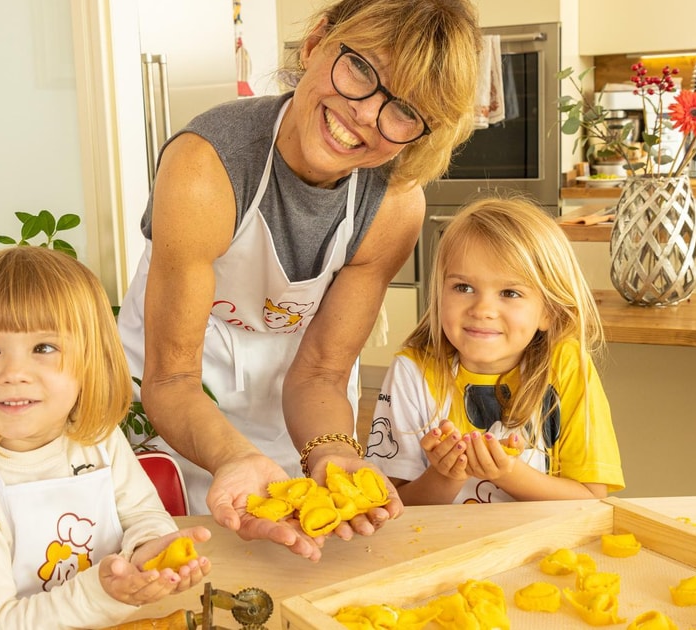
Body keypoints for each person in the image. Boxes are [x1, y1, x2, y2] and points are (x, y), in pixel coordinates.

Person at [115, 0, 481, 561]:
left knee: (283, 561)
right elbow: (172, 382)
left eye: (403, 109)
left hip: (293, 395)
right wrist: (234, 457)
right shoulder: (206, 166)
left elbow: (320, 375)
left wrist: (332, 454)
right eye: (361, 69)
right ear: (316, 43)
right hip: (177, 393)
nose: (365, 115)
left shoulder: (393, 208)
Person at [0, 246, 210, 629]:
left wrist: (150, 552)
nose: (13, 372)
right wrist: (103, 594)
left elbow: (142, 515)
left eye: (44, 347)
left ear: (91, 362)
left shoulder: (99, 440)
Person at [364, 198, 625, 505]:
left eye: (510, 293)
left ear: (548, 312)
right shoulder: (412, 371)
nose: (483, 309)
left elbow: (591, 498)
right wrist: (445, 475)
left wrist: (506, 473)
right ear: (439, 293)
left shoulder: (567, 365)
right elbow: (394, 504)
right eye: (463, 287)